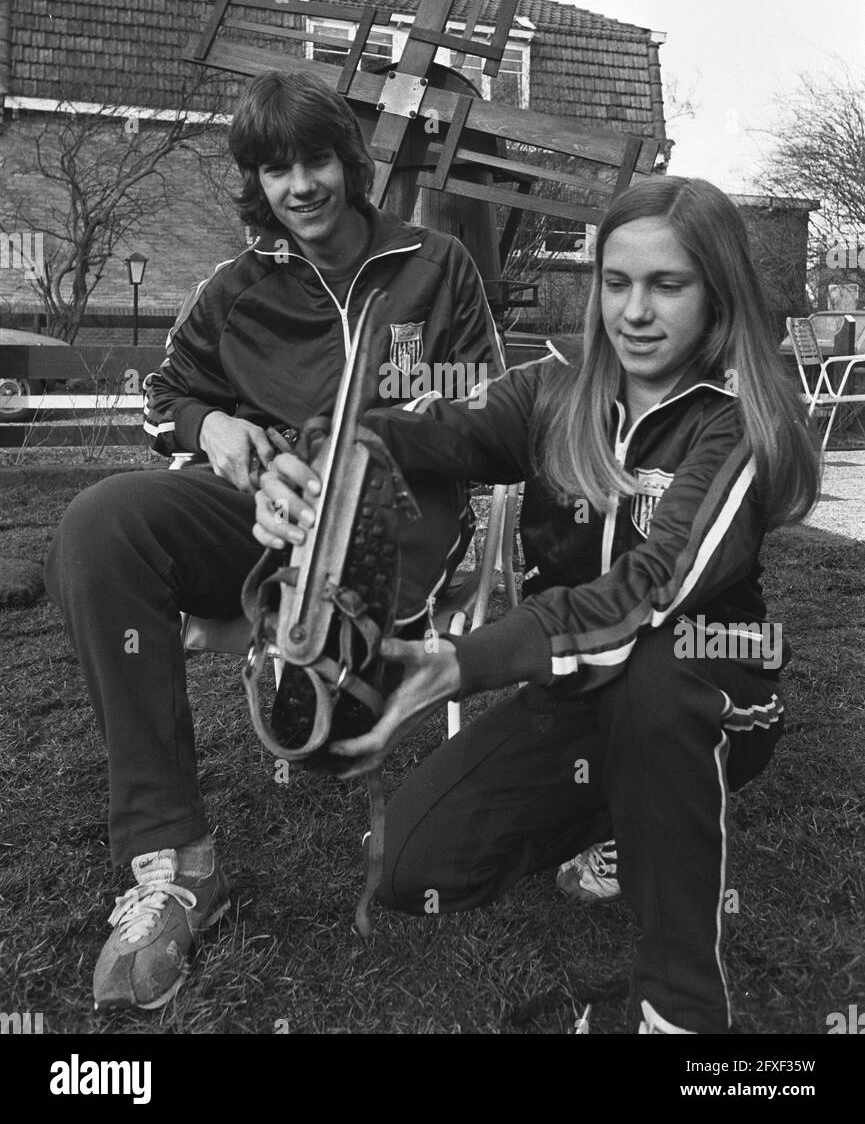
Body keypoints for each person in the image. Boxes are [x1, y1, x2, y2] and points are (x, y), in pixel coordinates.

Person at [256, 175, 821, 1035]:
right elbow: (431, 427)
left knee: (655, 680)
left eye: (667, 285)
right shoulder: (553, 391)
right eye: (615, 281)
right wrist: (330, 453)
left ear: (716, 293)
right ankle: (615, 807)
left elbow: (645, 592)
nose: (633, 311)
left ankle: (680, 1011)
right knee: (412, 864)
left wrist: (460, 662)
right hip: (573, 690)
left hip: (710, 693)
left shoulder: (736, 425)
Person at [45, 68, 500, 1011]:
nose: (300, 187)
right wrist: (210, 429)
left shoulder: (435, 264)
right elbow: (163, 397)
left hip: (395, 518)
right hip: (262, 513)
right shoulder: (233, 289)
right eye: (276, 168)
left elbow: (489, 410)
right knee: (101, 524)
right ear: (257, 181)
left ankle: (293, 649)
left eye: (316, 160)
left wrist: (350, 445)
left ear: (349, 162)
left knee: (328, 634)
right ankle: (172, 863)